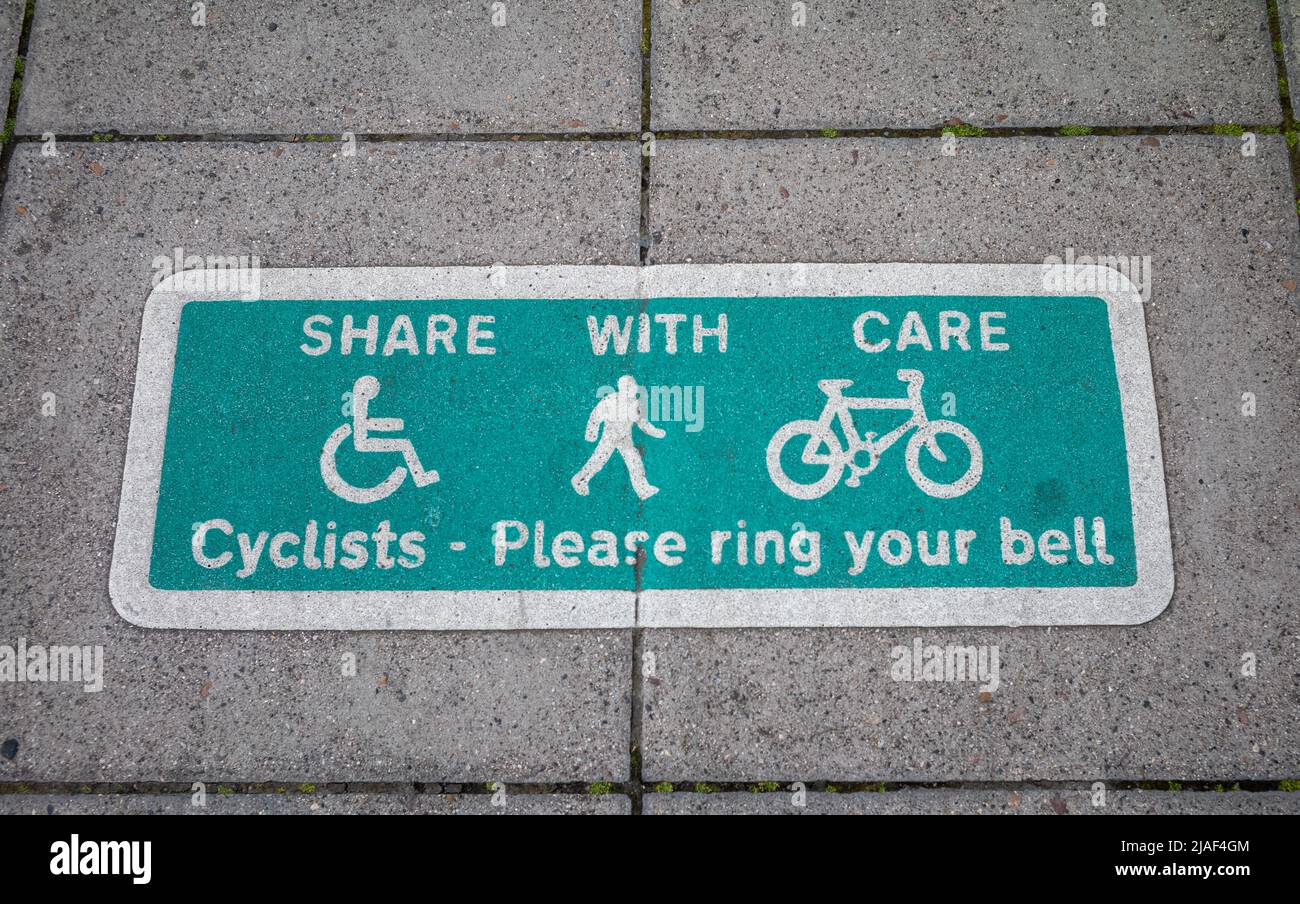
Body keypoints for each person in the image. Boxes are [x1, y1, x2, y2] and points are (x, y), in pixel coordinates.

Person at [571, 375, 665, 500]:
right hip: (609, 436)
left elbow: (642, 422)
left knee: (634, 461)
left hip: (625, 437)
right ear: (623, 388)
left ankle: (643, 488)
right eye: (630, 387)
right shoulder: (610, 400)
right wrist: (591, 433)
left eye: (634, 386)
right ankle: (579, 480)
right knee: (598, 460)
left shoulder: (635, 404)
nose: (634, 389)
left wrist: (655, 432)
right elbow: (596, 415)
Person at [349, 375, 439, 487]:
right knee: (405, 444)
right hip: (363, 442)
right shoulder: (360, 402)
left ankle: (420, 476)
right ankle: (420, 477)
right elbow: (366, 424)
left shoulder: (360, 400)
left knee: (405, 444)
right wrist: (396, 424)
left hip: (362, 440)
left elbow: (366, 423)